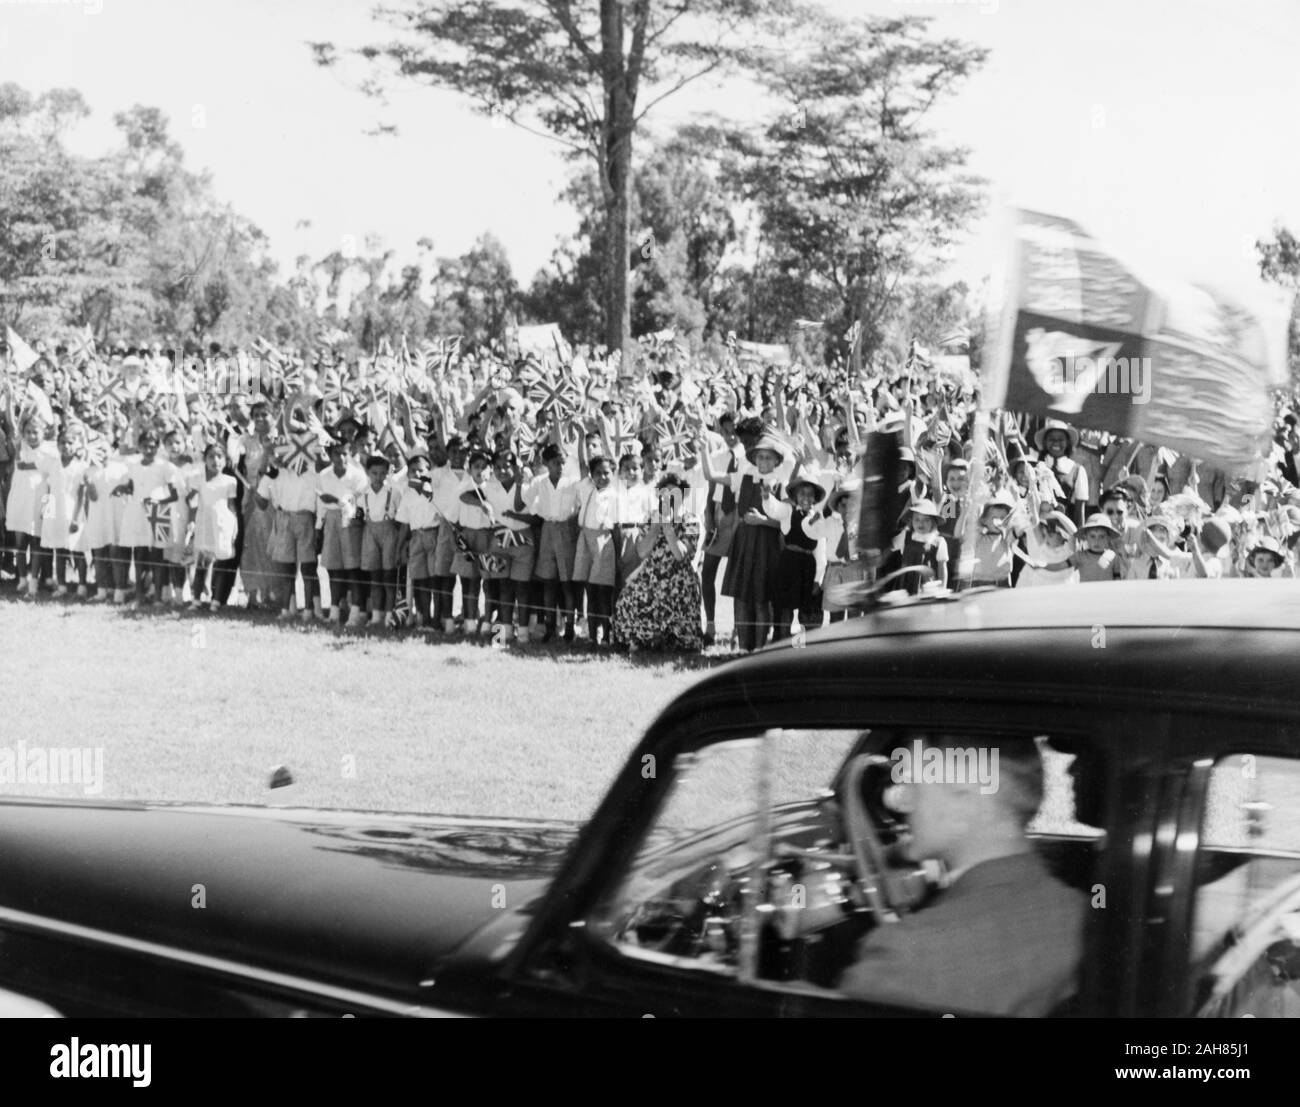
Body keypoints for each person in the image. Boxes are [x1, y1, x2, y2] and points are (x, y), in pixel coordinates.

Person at [838, 734, 1085, 1016]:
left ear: (963, 802)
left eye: (911, 784)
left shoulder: (906, 956)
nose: (899, 804)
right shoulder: (1080, 913)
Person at [612, 472, 704, 652]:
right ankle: (640, 640)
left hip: (679, 579)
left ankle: (672, 641)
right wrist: (656, 526)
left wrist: (668, 527)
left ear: (683, 495)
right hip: (651, 575)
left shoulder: (691, 520)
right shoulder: (650, 518)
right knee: (626, 599)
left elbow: (680, 555)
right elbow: (641, 551)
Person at [187, 443, 240, 611]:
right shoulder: (199, 479)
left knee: (221, 561)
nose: (215, 460)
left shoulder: (230, 481)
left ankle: (216, 601)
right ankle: (196, 599)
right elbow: (190, 499)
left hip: (223, 523)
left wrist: (235, 524)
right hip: (205, 521)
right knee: (202, 561)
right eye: (211, 456)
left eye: (219, 457)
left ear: (225, 461)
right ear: (205, 460)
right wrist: (191, 519)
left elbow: (231, 505)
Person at [772, 478, 825, 640]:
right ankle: (783, 645)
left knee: (806, 610)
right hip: (789, 563)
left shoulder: (818, 518)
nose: (806, 498)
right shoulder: (788, 514)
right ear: (795, 496)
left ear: (815, 498)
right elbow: (774, 509)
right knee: (786, 608)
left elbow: (820, 551)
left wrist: (818, 579)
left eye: (810, 495)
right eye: (802, 494)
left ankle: (800, 648)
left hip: (808, 567)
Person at [1073, 513, 1122, 583]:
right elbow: (1064, 572)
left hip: (1107, 592)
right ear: (1085, 537)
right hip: (1086, 593)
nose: (1097, 541)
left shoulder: (1113, 557)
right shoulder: (1080, 556)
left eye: (1101, 536)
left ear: (1108, 538)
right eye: (1092, 536)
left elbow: (1117, 578)